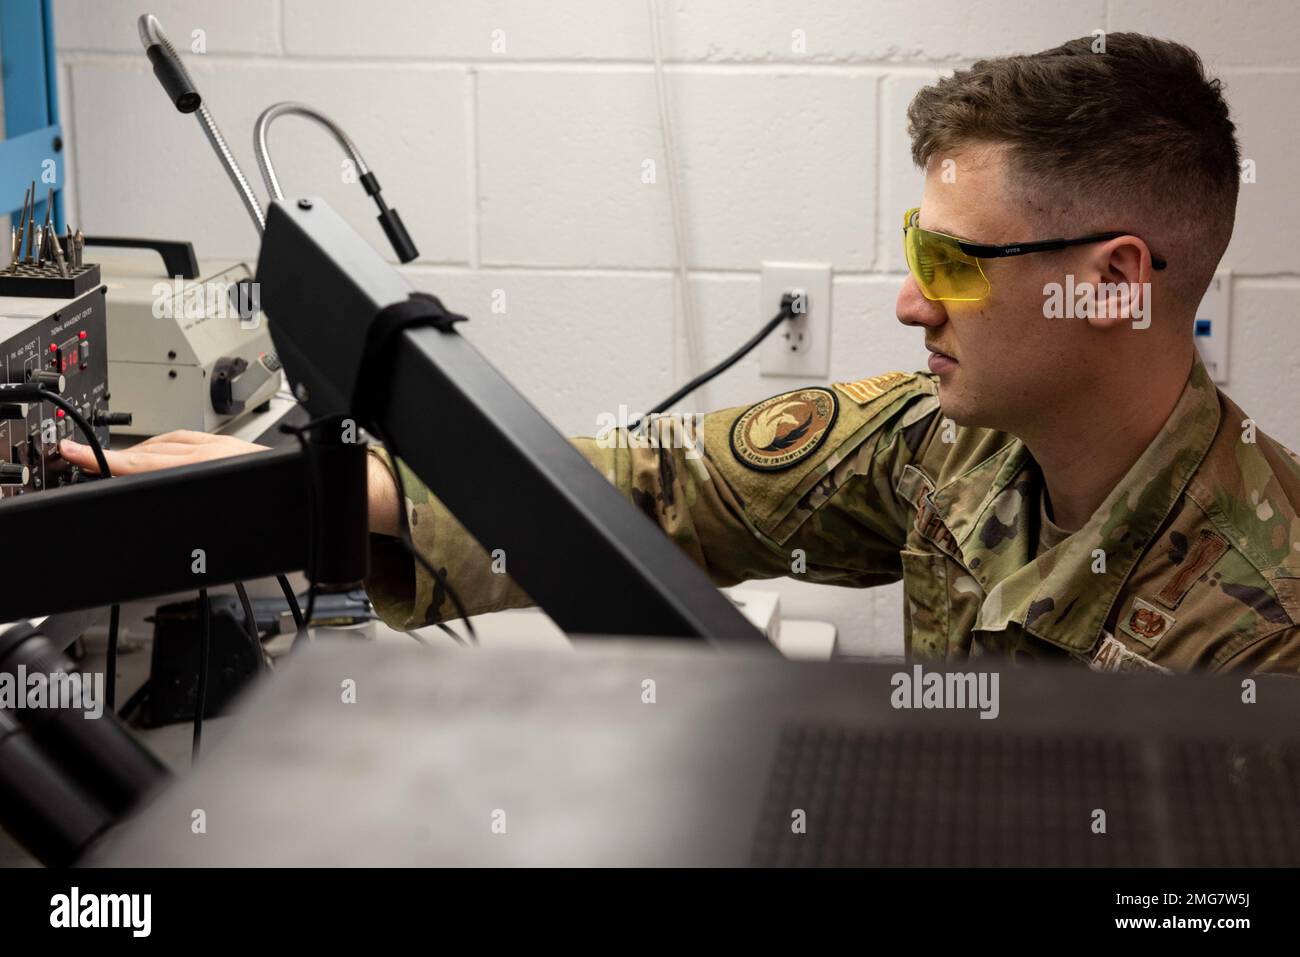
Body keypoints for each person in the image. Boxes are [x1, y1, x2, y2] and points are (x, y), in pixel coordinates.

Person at [61, 33, 1300, 673]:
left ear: (1113, 282)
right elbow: (675, 487)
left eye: (953, 266)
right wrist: (336, 492)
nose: (913, 309)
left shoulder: (1267, 625)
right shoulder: (944, 443)